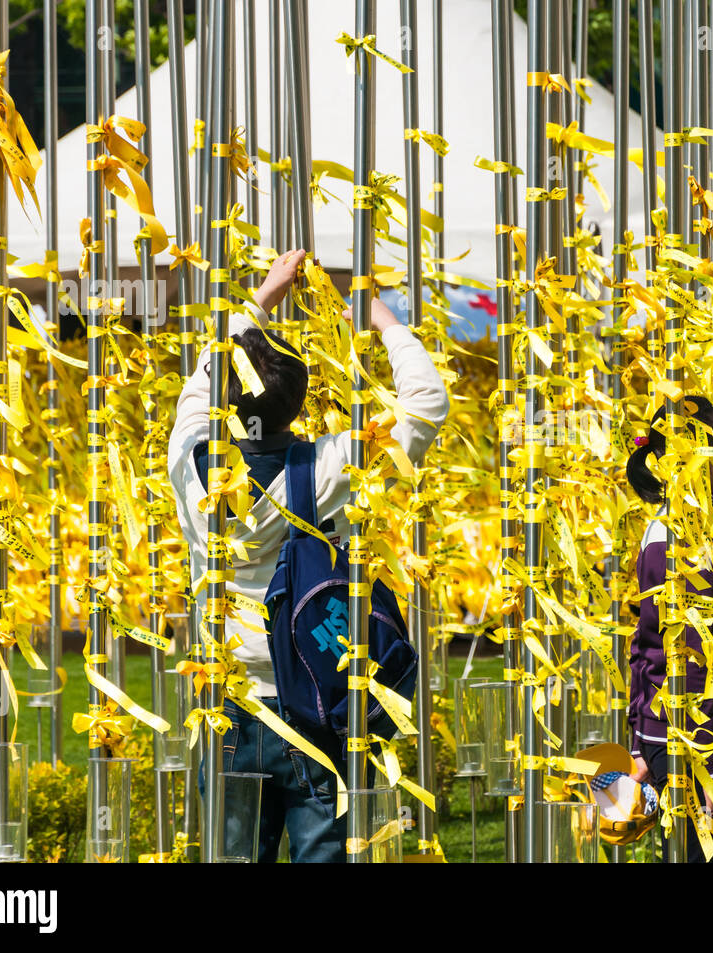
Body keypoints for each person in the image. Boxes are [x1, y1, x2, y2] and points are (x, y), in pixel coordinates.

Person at [167, 250, 449, 862]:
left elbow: (204, 375)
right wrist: (382, 319)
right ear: (297, 405)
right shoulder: (326, 467)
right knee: (322, 850)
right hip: (309, 698)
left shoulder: (188, 458)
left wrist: (262, 295)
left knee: (231, 854)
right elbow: (426, 404)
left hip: (226, 698)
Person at [624, 395, 713, 863]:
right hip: (691, 732)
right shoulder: (679, 543)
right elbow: (691, 649)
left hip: (682, 729)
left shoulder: (679, 531)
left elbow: (644, 644)